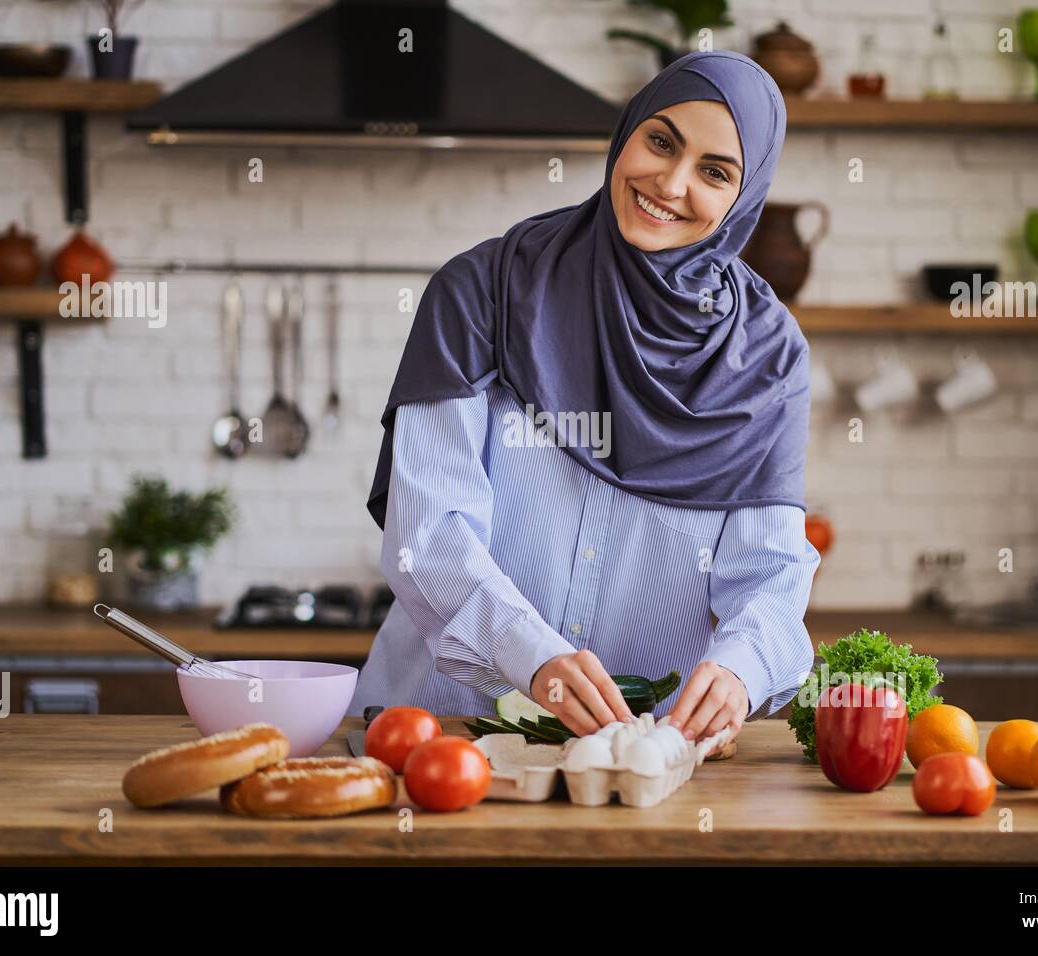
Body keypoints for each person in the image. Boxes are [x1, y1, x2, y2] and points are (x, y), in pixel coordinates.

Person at [351, 51, 819, 744]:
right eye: (661, 141)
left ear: (744, 201)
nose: (671, 182)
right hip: (441, 735)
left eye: (715, 172)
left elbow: (770, 575)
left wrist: (743, 667)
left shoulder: (767, 354)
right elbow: (427, 535)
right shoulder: (483, 290)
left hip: (643, 755)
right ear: (626, 133)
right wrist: (530, 658)